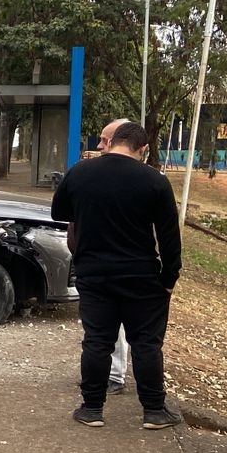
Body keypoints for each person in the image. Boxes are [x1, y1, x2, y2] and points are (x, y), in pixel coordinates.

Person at [51, 121, 182, 429]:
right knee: (147, 344)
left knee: (97, 341)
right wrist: (169, 279)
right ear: (143, 148)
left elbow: (59, 213)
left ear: (112, 142)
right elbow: (169, 238)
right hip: (143, 277)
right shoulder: (155, 181)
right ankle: (154, 411)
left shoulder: (79, 173)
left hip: (94, 274)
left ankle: (91, 409)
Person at [93, 119, 132, 395]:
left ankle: (115, 375)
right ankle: (103, 372)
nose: (99, 146)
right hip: (97, 261)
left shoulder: (145, 181)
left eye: (104, 140)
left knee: (123, 325)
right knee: (99, 326)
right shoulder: (92, 174)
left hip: (128, 265)